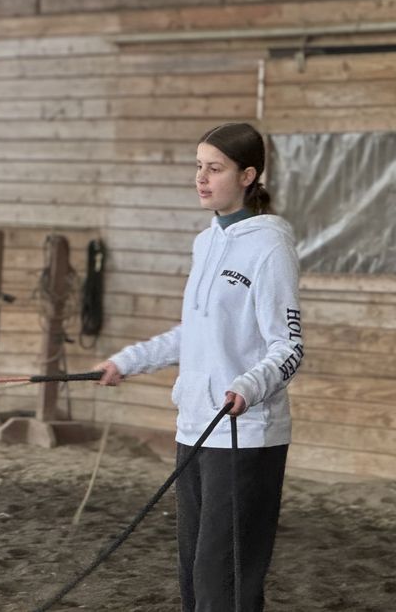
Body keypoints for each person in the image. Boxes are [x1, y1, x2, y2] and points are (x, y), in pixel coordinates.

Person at [94, 122, 302, 612]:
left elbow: (289, 346)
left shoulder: (271, 247)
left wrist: (248, 386)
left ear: (247, 175)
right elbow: (195, 334)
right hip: (194, 427)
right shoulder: (205, 243)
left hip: (245, 434)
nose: (201, 178)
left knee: (221, 576)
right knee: (192, 571)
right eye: (198, 167)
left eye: (215, 168)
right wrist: (127, 361)